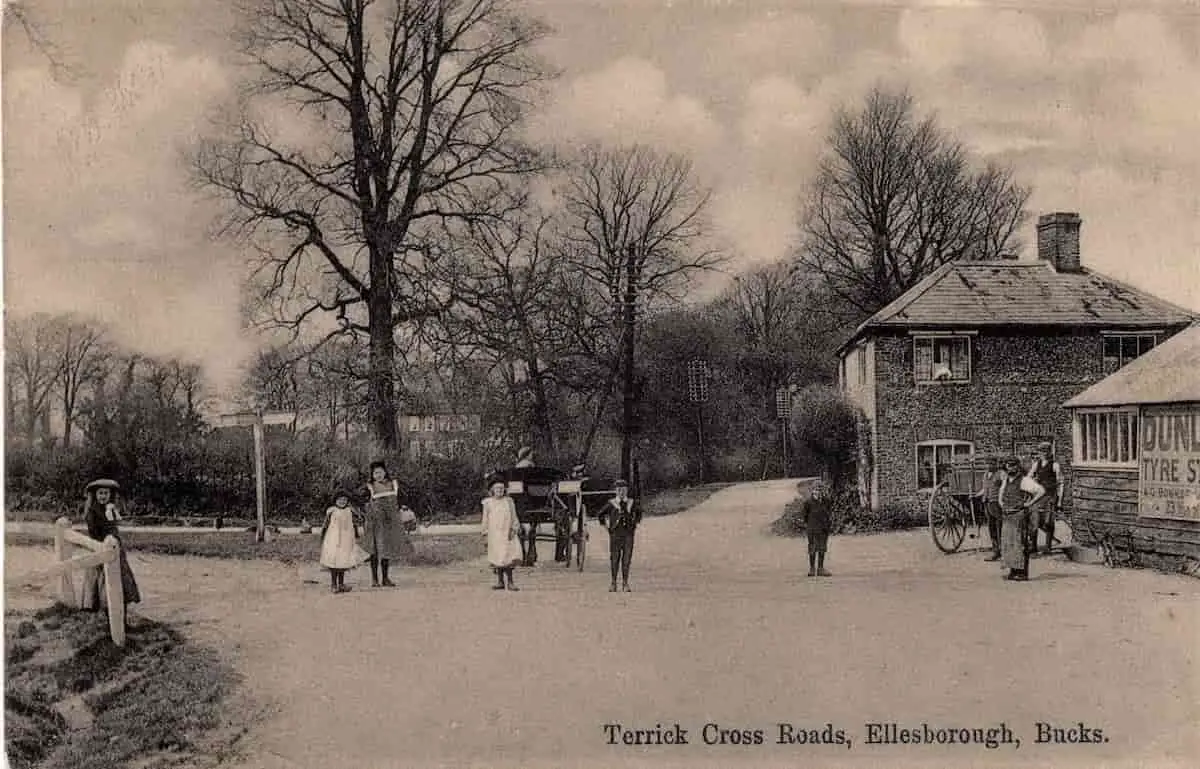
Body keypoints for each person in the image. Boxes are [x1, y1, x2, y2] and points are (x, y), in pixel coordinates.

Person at [80, 478, 141, 613]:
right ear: (95, 495)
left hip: (115, 546)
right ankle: (100, 606)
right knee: (99, 577)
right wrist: (106, 534)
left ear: (110, 495)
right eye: (100, 493)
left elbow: (117, 523)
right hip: (100, 546)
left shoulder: (110, 508)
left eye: (106, 493)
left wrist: (112, 513)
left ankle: (120, 605)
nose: (103, 496)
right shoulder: (92, 511)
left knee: (121, 575)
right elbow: (95, 532)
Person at [362, 461, 414, 587]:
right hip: (375, 523)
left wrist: (404, 508)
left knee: (386, 550)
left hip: (389, 523)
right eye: (375, 473)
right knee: (374, 551)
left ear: (385, 472)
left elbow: (402, 500)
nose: (378, 475)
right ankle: (374, 579)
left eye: (380, 472)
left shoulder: (393, 485)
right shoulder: (369, 487)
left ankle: (385, 578)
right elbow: (362, 501)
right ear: (372, 474)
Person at [998, 456, 1046, 581]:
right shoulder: (1006, 480)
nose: (1011, 467)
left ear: (1018, 467)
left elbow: (1041, 491)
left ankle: (1022, 573)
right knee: (1009, 544)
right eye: (1008, 465)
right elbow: (1001, 493)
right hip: (1008, 515)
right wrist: (1001, 503)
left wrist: (1029, 504)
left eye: (1013, 465)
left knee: (1020, 543)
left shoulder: (1025, 480)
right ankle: (1013, 571)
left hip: (1019, 516)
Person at [320, 488, 370, 594]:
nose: (342, 502)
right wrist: (323, 536)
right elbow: (325, 524)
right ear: (335, 501)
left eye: (344, 500)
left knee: (343, 561)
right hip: (333, 539)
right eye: (340, 500)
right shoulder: (331, 510)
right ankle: (334, 584)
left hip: (346, 539)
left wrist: (356, 534)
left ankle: (341, 584)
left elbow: (356, 523)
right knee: (334, 561)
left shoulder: (350, 511)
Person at [597, 479, 641, 592]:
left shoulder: (631, 502)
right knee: (614, 558)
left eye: (624, 490)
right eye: (619, 490)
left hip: (628, 534)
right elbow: (600, 514)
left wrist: (634, 524)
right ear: (616, 491)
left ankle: (625, 583)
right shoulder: (611, 503)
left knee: (627, 558)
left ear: (627, 491)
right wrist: (607, 527)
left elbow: (639, 513)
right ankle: (613, 583)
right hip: (615, 534)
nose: (621, 492)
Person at [481, 475, 521, 591]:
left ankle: (510, 582)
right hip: (494, 534)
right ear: (492, 490)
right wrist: (485, 533)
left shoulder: (508, 501)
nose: (499, 491)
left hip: (507, 533)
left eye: (502, 489)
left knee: (508, 556)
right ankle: (500, 581)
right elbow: (485, 519)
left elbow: (514, 516)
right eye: (497, 489)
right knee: (497, 557)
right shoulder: (488, 503)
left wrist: (514, 529)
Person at [1026, 442, 1064, 555]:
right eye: (1041, 451)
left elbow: (1060, 482)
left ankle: (1048, 547)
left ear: (1050, 452)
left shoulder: (1055, 465)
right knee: (1034, 521)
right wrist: (1033, 483)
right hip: (1038, 497)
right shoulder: (1036, 464)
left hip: (1050, 496)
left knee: (1048, 522)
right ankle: (1033, 546)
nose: (1043, 453)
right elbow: (1028, 477)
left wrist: (1059, 500)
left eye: (1046, 451)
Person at [973, 457, 1003, 561]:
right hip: (987, 503)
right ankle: (995, 550)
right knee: (991, 527)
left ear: (996, 464)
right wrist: (976, 495)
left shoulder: (1001, 474)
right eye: (987, 464)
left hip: (996, 503)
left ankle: (1001, 550)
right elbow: (984, 489)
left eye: (991, 463)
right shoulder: (985, 475)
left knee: (999, 527)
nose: (989, 466)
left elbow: (1005, 487)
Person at [801, 480, 834, 577]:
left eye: (820, 489)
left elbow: (828, 512)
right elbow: (805, 516)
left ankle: (820, 568)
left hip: (824, 527)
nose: (818, 492)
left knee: (822, 548)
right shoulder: (808, 502)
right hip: (812, 528)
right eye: (816, 490)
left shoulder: (826, 501)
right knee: (812, 547)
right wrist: (809, 524)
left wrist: (827, 524)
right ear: (812, 491)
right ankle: (812, 568)